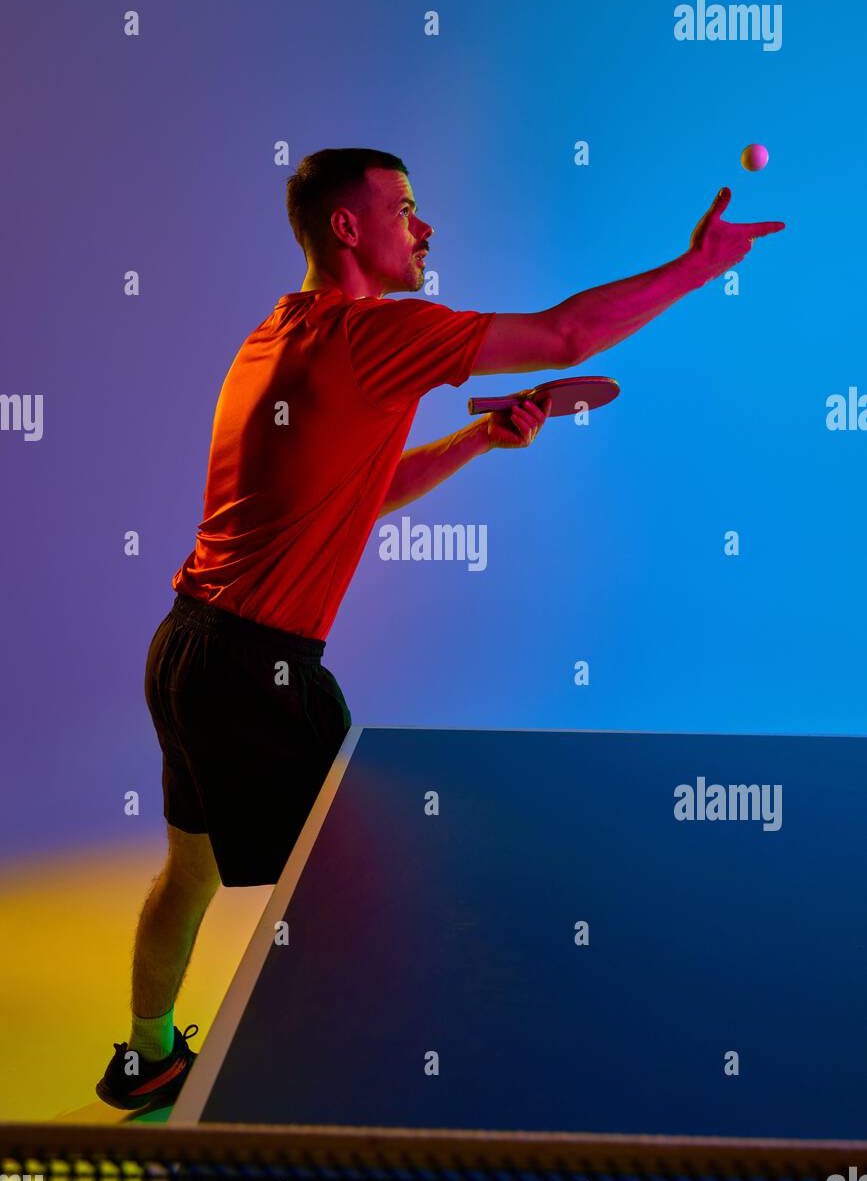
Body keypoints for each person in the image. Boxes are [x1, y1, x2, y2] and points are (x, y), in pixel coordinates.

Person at [96, 148, 784, 1110]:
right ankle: (338, 1116)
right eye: (405, 209)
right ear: (348, 229)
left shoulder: (278, 335)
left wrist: (478, 437)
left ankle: (145, 1055)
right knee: (358, 910)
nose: (425, 229)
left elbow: (356, 496)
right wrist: (700, 266)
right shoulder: (379, 335)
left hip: (186, 650)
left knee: (192, 874)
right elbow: (567, 333)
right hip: (259, 672)